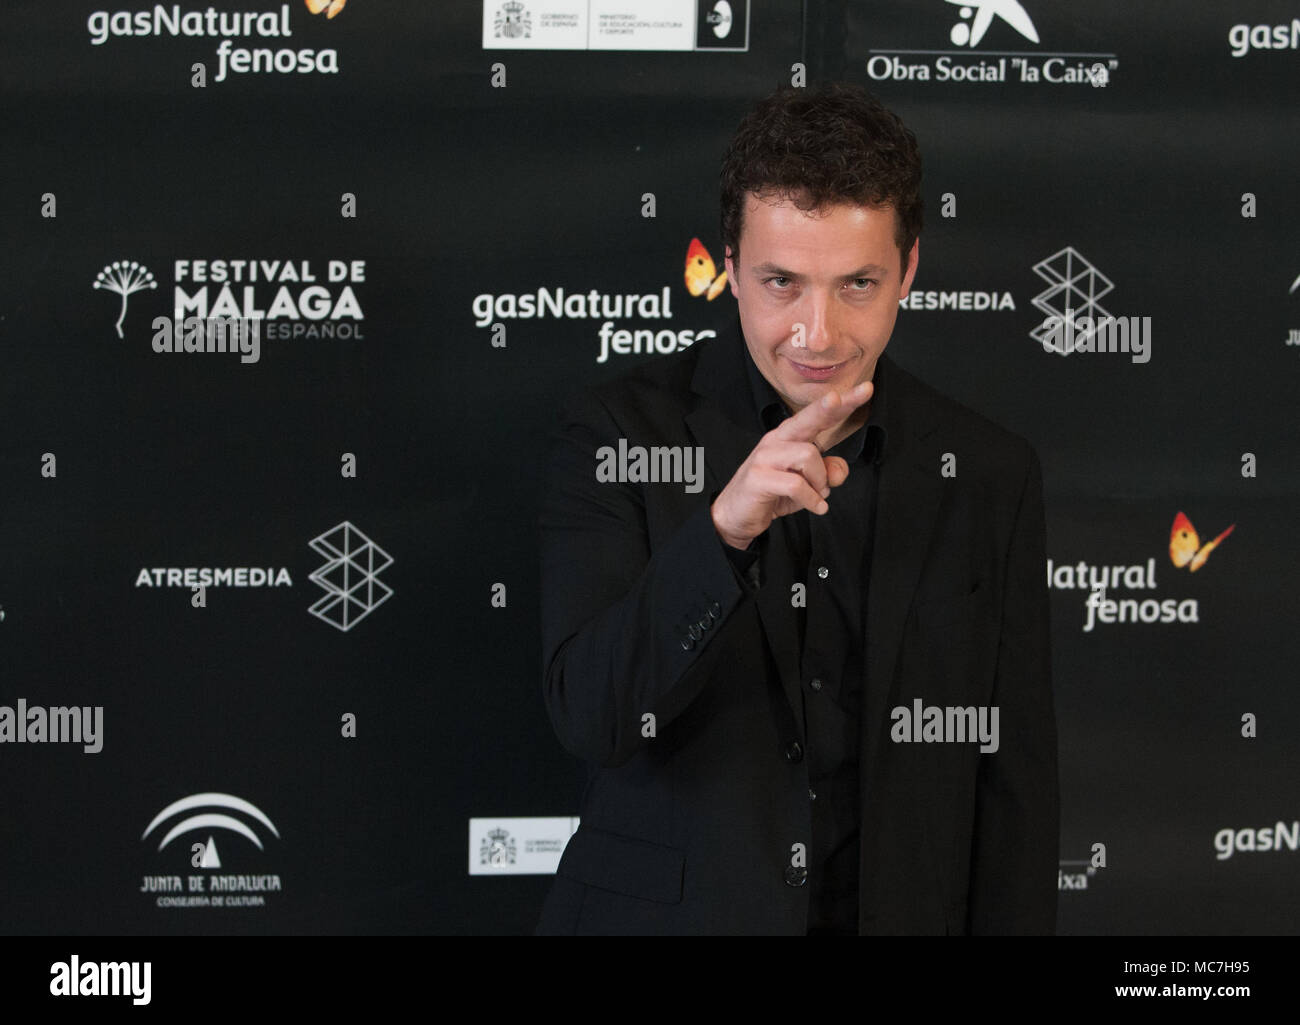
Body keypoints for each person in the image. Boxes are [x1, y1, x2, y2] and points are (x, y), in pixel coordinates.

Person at [535, 82, 1058, 935]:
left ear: (910, 270)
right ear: (730, 268)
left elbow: (1015, 787)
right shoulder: (615, 431)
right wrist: (724, 532)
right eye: (782, 282)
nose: (818, 333)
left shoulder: (991, 471)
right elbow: (592, 715)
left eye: (858, 283)